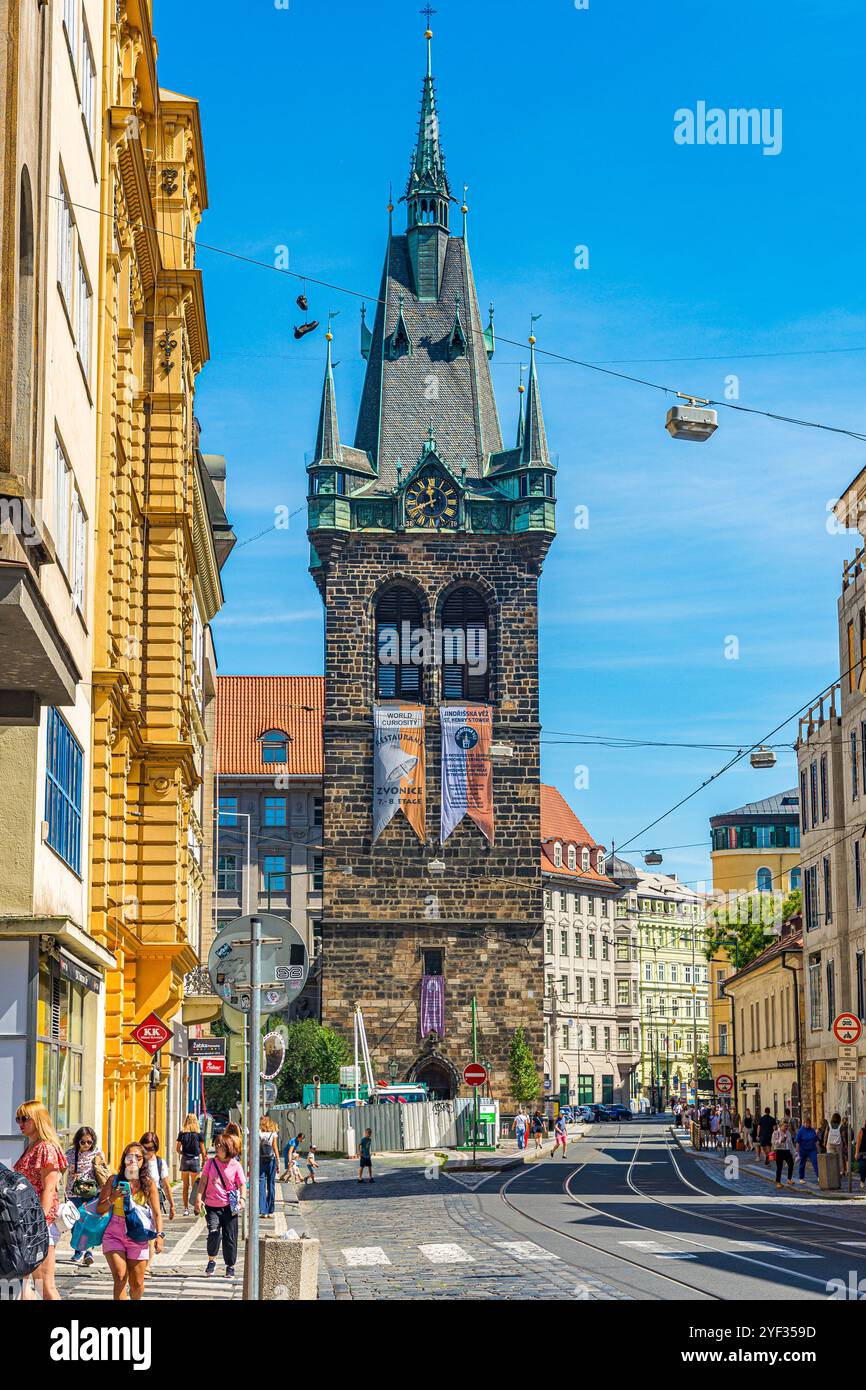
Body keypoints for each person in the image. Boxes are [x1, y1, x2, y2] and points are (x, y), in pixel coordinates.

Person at [96, 1141, 163, 1301]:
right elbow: (100, 1208)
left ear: (143, 1161)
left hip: (137, 1233)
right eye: (129, 1157)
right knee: (120, 1276)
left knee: (137, 1284)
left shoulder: (148, 1184)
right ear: (124, 1159)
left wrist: (160, 1235)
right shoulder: (113, 1180)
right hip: (114, 1232)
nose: (133, 1160)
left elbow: (157, 1213)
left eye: (138, 1157)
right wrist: (113, 1198)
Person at [14, 1100, 67, 1300]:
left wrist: (41, 1224)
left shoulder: (46, 1148)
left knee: (45, 1285)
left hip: (40, 1223)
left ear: (37, 1120)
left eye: (24, 1118)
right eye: (18, 1118)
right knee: (28, 1282)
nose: (20, 1123)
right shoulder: (32, 1146)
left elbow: (49, 1188)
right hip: (28, 1221)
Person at [195, 1133, 245, 1278]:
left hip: (230, 1207)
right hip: (211, 1206)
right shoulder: (210, 1163)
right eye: (216, 1144)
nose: (217, 1147)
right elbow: (203, 1182)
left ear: (228, 1148)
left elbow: (242, 1184)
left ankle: (230, 1266)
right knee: (213, 1232)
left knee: (230, 1237)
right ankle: (212, 1261)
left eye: (220, 1145)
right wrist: (198, 1198)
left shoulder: (236, 1165)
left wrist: (242, 1198)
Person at [65, 1125, 107, 1267]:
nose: (86, 1145)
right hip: (73, 1192)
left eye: (89, 1142)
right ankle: (78, 1249)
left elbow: (102, 1169)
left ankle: (88, 1252)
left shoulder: (97, 1153)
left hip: (92, 1192)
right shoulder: (70, 1154)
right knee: (75, 1221)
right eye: (83, 1142)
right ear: (77, 1141)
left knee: (89, 1222)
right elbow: (61, 1170)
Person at [139, 1132, 175, 1227]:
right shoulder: (137, 1160)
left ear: (156, 1148)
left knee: (152, 1228)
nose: (147, 1151)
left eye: (151, 1149)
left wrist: (172, 1205)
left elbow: (166, 1186)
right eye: (144, 1148)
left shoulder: (160, 1163)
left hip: (154, 1200)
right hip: (138, 1200)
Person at [176, 1114, 206, 1216]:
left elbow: (177, 1148)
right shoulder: (199, 1134)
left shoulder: (182, 1133)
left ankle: (185, 1209)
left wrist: (182, 1153)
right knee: (195, 1187)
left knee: (185, 1186)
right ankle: (196, 1207)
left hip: (185, 1160)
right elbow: (203, 1150)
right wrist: (204, 1160)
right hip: (195, 1160)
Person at [259, 1116, 280, 1216]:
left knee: (261, 1185)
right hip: (272, 1160)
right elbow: (275, 1148)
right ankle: (270, 1210)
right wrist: (278, 1162)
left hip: (261, 1160)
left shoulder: (259, 1133)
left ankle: (263, 1210)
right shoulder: (273, 1134)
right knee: (271, 1185)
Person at [795, 1114, 820, 1183]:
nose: (808, 1125)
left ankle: (819, 1177)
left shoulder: (812, 1130)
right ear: (804, 1123)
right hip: (803, 1150)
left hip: (812, 1149)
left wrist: (818, 1149)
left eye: (809, 1123)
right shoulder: (801, 1131)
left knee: (815, 1162)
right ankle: (801, 1178)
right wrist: (797, 1151)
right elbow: (797, 1142)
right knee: (802, 1163)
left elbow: (816, 1140)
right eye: (806, 1123)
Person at [772, 1118, 795, 1189]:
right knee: (779, 1167)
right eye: (785, 1126)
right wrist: (780, 1141)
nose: (786, 1127)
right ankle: (778, 1182)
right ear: (780, 1125)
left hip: (787, 1150)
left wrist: (794, 1152)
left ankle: (789, 1179)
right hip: (779, 1150)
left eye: (787, 1126)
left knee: (791, 1164)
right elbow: (773, 1143)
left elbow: (790, 1143)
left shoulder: (788, 1133)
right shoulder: (776, 1133)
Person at [856, 1119, 866, 1190]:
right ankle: (862, 1180)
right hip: (862, 1153)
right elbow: (858, 1142)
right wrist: (856, 1152)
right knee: (863, 1168)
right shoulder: (862, 1131)